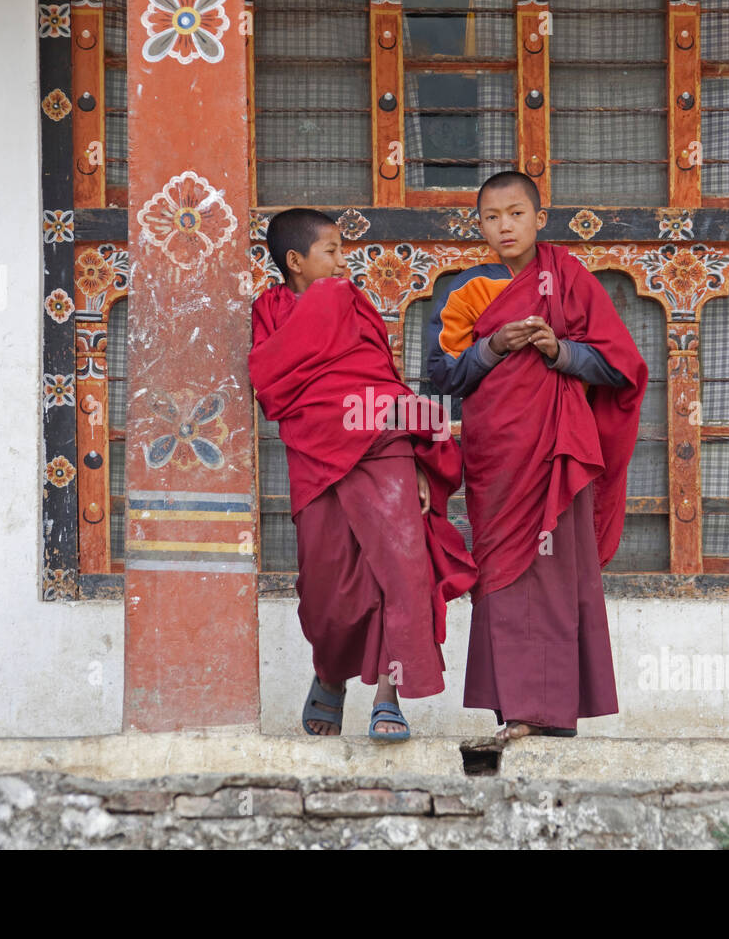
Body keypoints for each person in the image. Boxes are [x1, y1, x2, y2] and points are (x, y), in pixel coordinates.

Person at [425, 173, 648, 741]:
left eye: (516, 213)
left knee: (552, 576)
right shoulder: (465, 289)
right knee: (501, 576)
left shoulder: (568, 278)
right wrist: (494, 347)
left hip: (556, 456)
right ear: (479, 226)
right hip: (497, 456)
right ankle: (516, 709)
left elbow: (623, 368)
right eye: (492, 216)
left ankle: (552, 712)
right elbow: (444, 376)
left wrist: (562, 351)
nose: (505, 226)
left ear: (539, 218)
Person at [249, 209, 476, 741]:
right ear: (295, 261)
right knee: (327, 586)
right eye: (331, 251)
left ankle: (387, 696)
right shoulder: (272, 309)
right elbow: (270, 381)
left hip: (383, 450)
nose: (341, 262)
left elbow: (381, 378)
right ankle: (330, 674)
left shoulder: (353, 301)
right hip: (316, 459)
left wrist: (420, 453)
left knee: (399, 572)